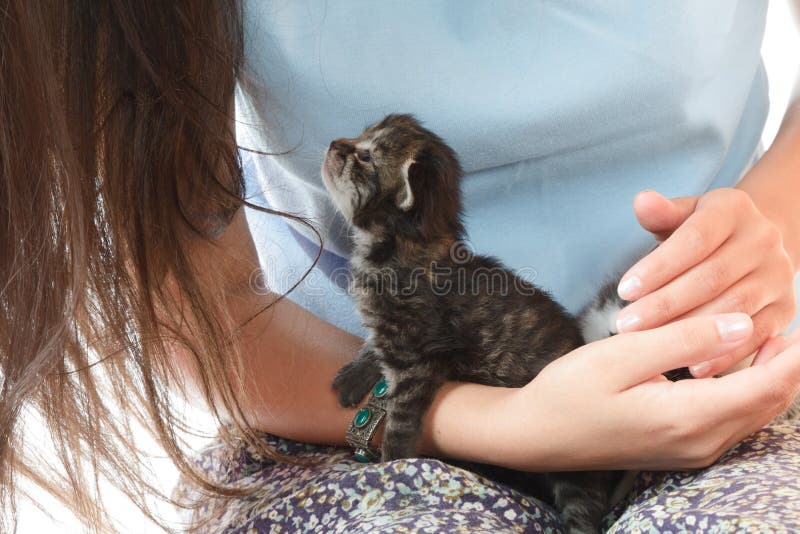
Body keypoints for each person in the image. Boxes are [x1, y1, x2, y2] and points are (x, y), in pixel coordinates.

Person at [2, 1, 800, 532]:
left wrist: (770, 218)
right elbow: (195, 298)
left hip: (720, 375)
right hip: (336, 416)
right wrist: (484, 421)